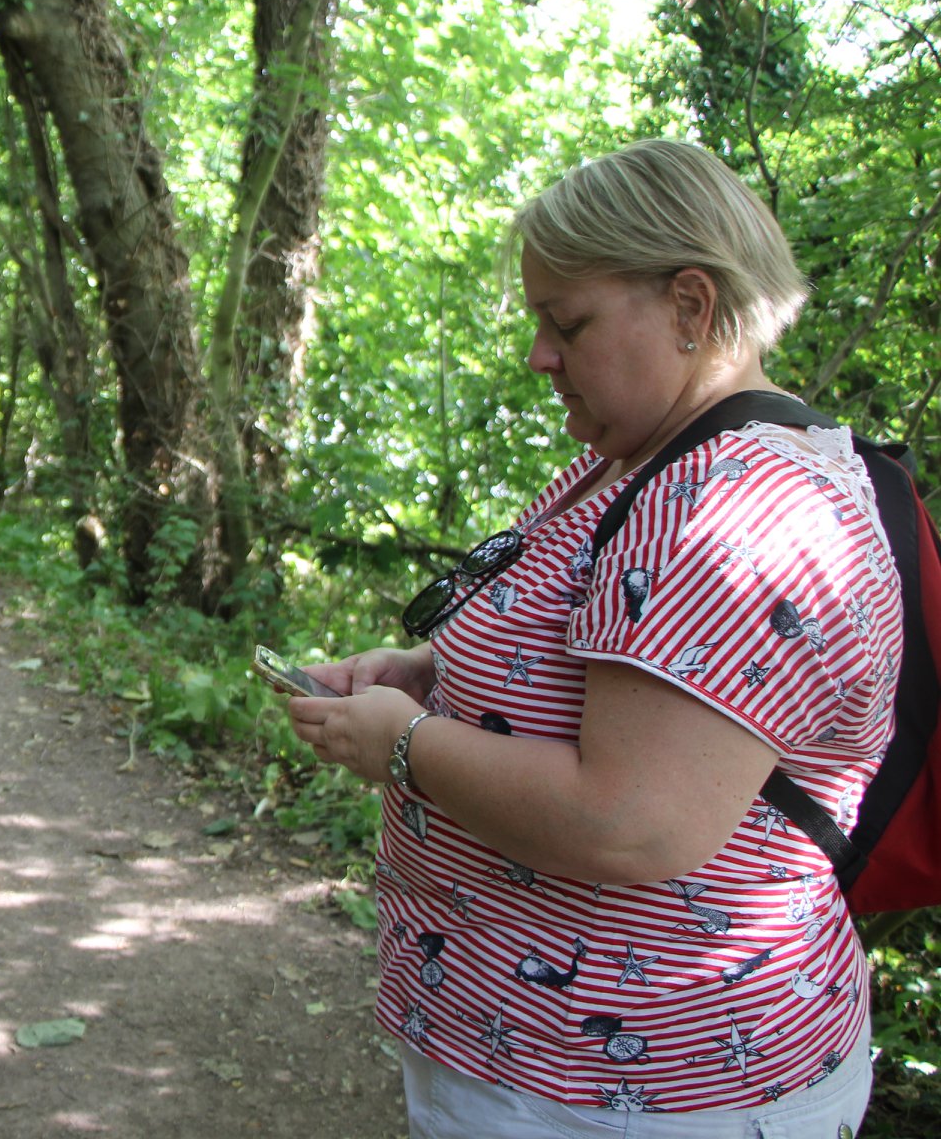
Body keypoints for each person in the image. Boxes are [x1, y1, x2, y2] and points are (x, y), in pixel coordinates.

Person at [285, 140, 899, 1136]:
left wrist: (403, 743)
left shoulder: (727, 508)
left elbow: (634, 822)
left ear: (692, 307)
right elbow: (599, 652)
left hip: (644, 1090)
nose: (539, 356)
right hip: (549, 1060)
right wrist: (431, 672)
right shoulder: (650, 455)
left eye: (566, 323)